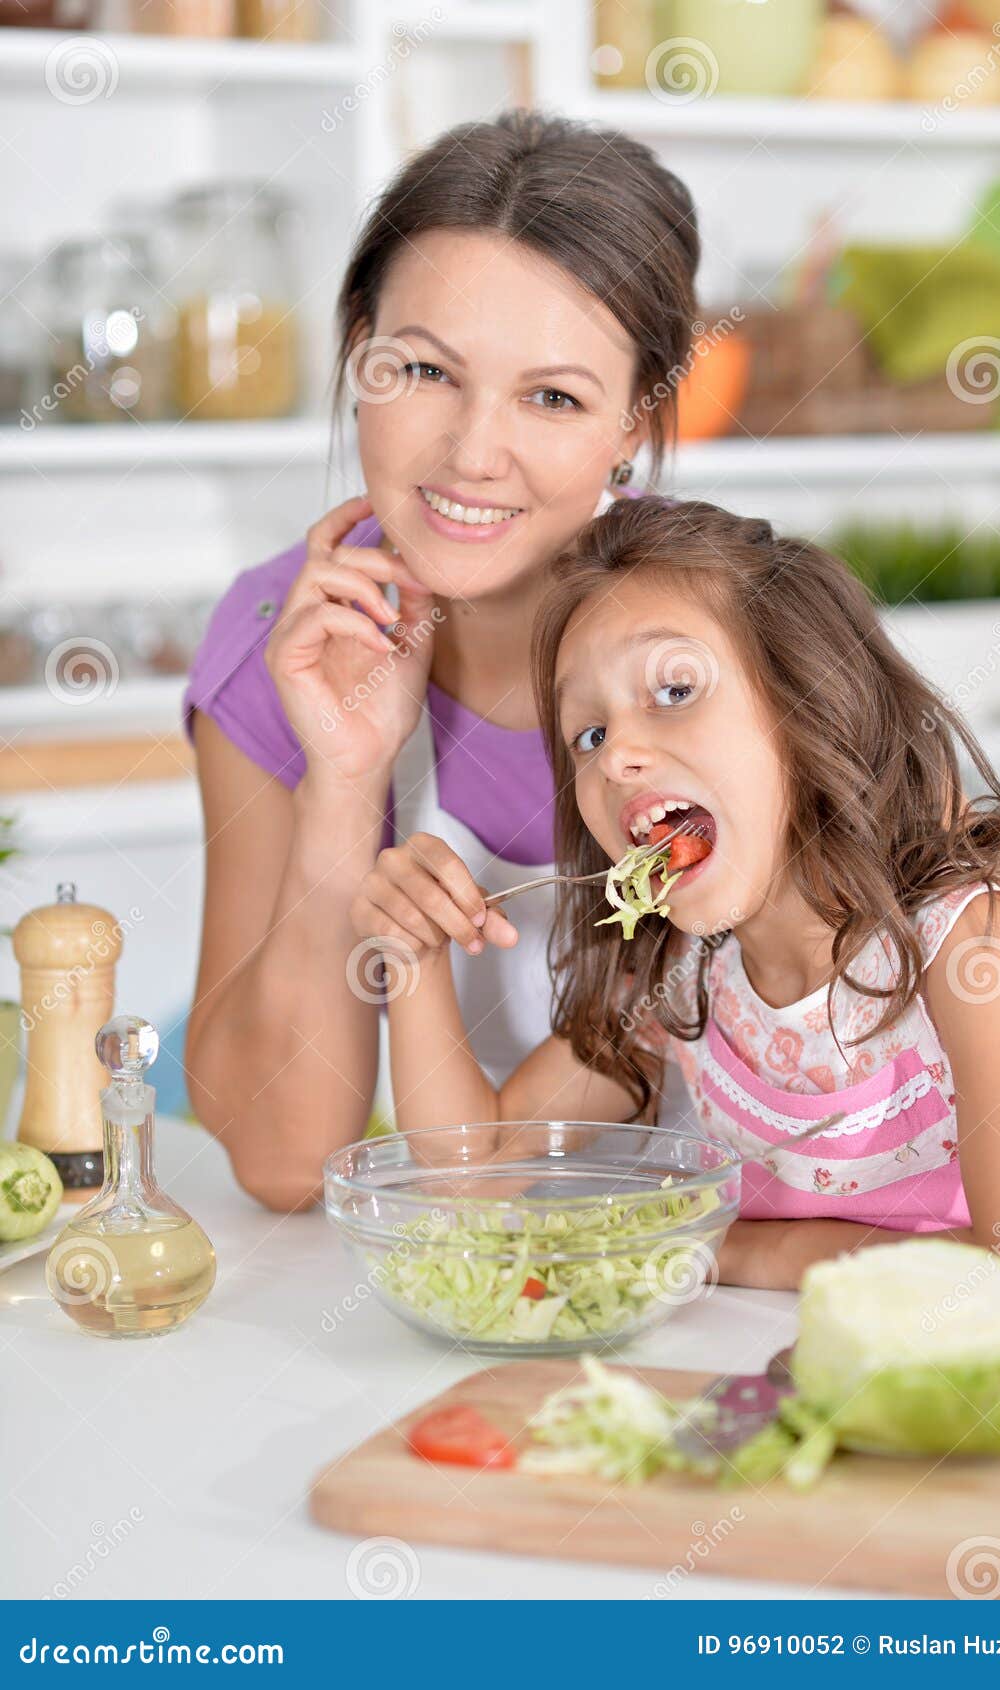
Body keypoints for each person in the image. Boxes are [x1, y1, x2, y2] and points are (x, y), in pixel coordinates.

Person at [181, 110, 701, 1209]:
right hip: (425, 1268)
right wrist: (346, 778)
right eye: (423, 370)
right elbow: (283, 1160)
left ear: (634, 421)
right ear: (358, 352)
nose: (473, 454)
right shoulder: (279, 640)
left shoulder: (716, 643)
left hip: (708, 1255)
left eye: (553, 396)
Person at [368, 498, 1000, 1290]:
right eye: (586, 735)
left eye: (673, 690)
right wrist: (415, 951)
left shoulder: (975, 942)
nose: (617, 755)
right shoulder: (684, 980)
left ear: (810, 700)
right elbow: (476, 1171)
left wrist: (741, 1251)